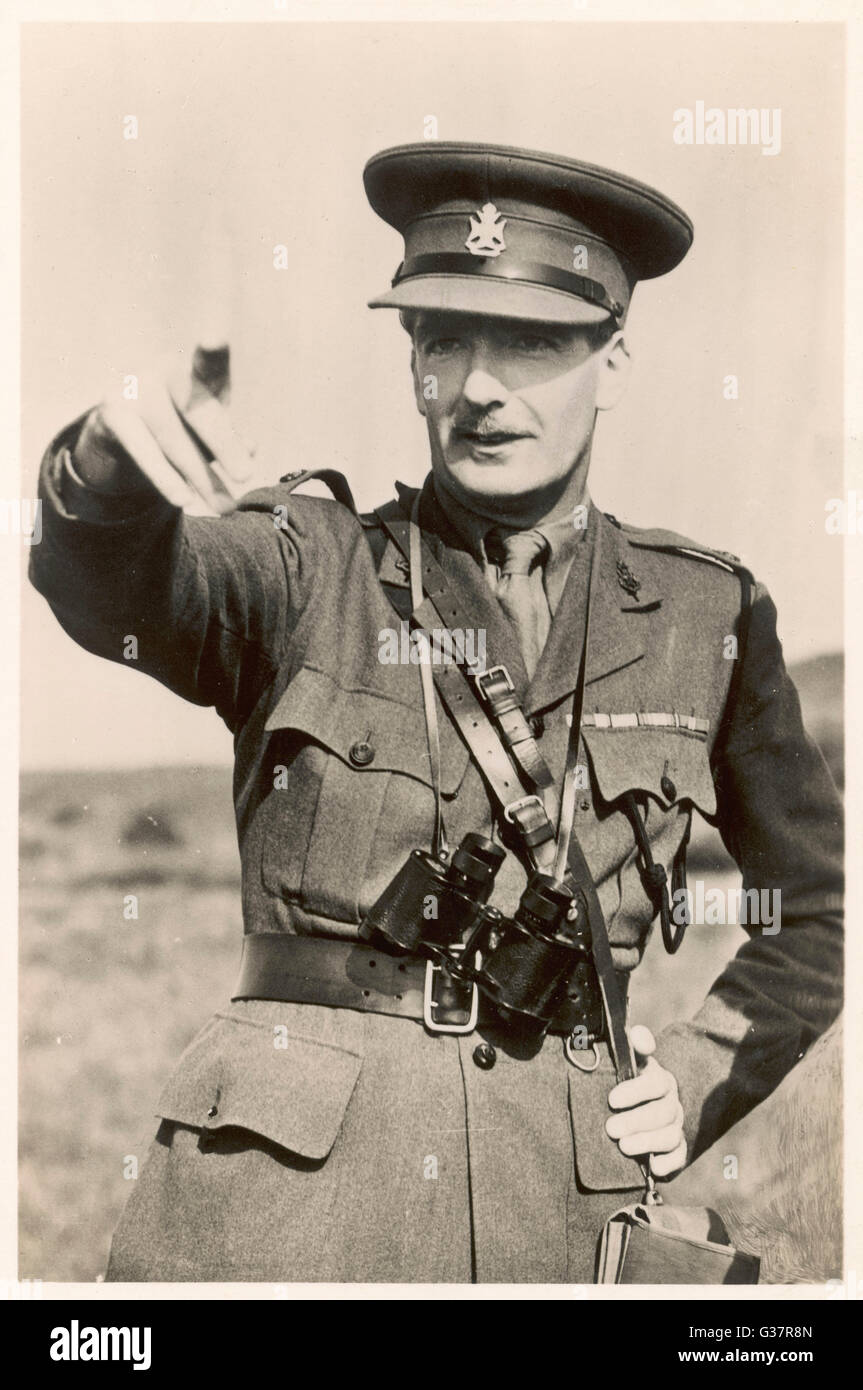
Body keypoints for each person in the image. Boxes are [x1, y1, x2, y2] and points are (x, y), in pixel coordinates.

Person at [29, 141, 843, 1284]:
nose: (475, 386)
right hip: (286, 1219)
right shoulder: (304, 568)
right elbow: (108, 580)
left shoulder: (705, 613)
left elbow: (815, 906)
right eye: (442, 338)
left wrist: (699, 1079)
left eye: (531, 341)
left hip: (560, 1214)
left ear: (611, 359)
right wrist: (103, 464)